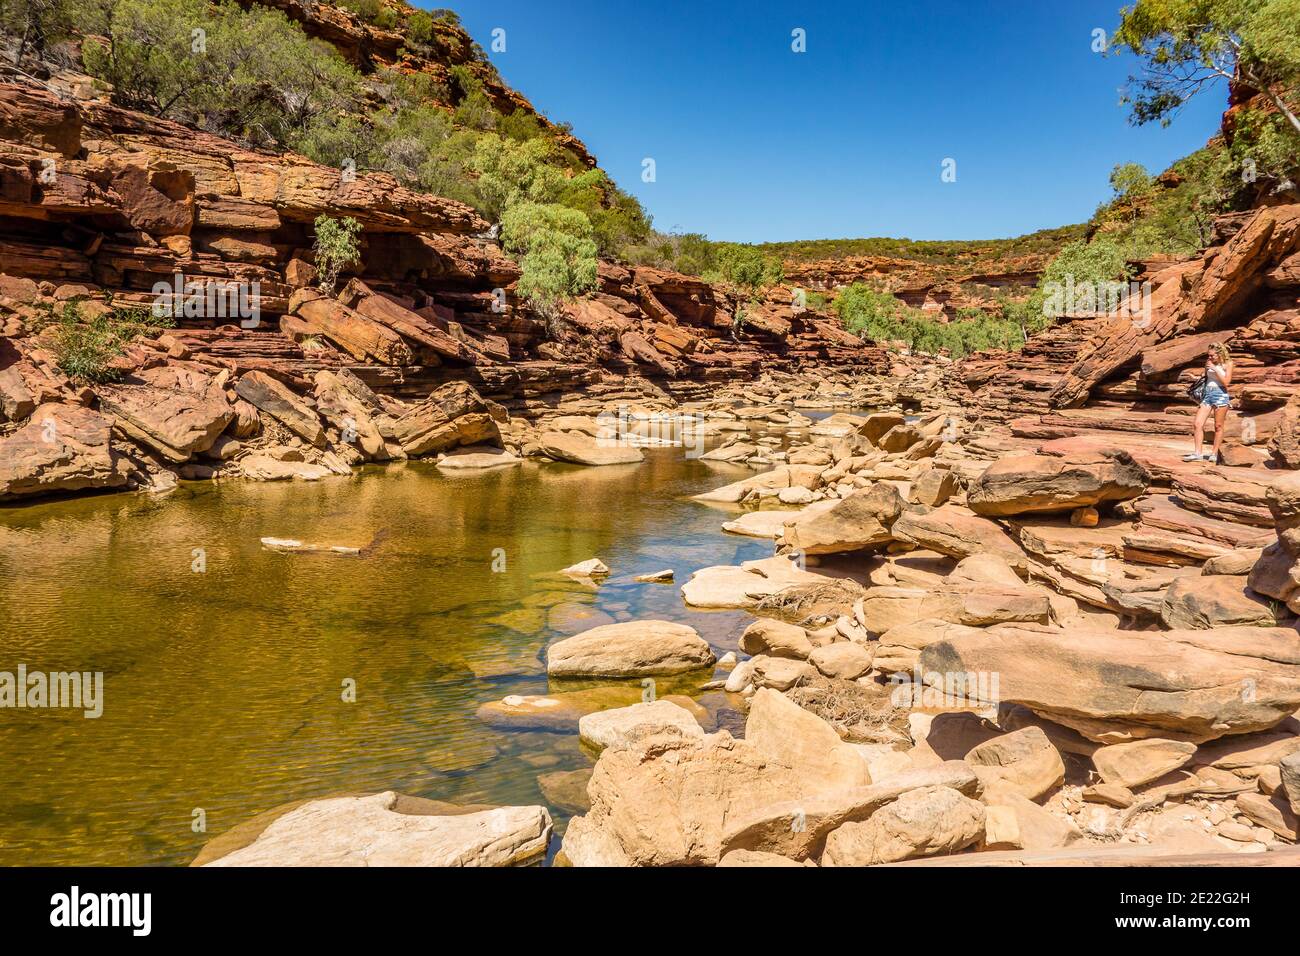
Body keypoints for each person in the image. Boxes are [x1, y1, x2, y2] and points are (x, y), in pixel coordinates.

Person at [1184, 343, 1233, 463]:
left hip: (1220, 395)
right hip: (1207, 395)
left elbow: (1226, 382)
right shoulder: (1208, 363)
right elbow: (1205, 377)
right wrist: (1195, 378)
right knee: (1197, 424)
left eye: (1212, 356)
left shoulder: (1228, 364)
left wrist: (1215, 369)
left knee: (1218, 426)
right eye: (1208, 356)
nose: (1209, 358)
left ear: (1220, 354)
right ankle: (1197, 453)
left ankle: (1214, 453)